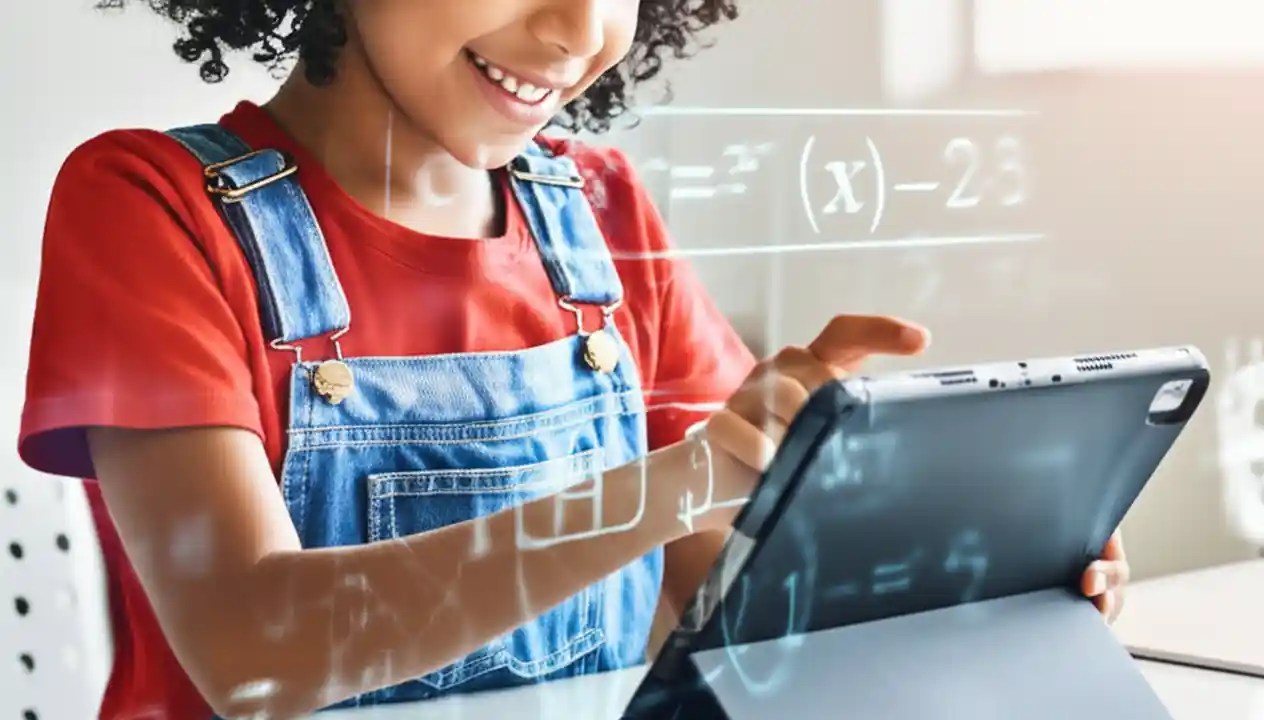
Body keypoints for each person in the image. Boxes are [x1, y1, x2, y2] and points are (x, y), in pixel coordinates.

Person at [17, 1, 1130, 717]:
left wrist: (967, 569)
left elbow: (715, 607)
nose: (578, 29)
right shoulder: (151, 206)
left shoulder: (595, 209)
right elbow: (255, 653)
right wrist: (690, 475)